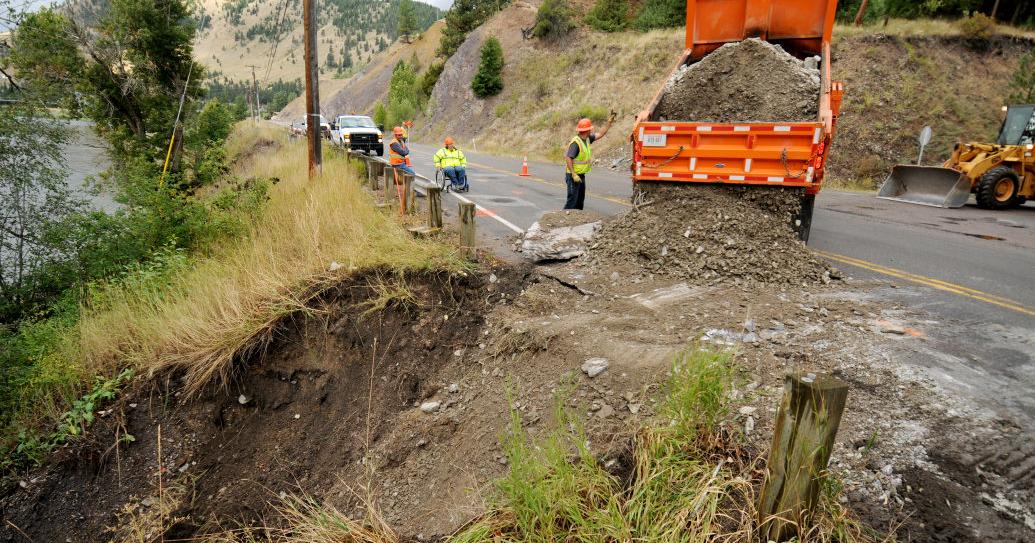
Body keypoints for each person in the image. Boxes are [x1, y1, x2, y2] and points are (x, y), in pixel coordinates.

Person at [564, 112, 615, 210]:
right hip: (573, 176)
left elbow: (601, 134)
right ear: (587, 130)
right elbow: (568, 157)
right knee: (572, 202)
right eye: (590, 129)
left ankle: (577, 221)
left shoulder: (587, 139)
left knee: (579, 201)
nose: (591, 131)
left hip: (581, 175)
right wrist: (574, 174)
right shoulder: (576, 143)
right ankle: (563, 221)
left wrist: (609, 123)